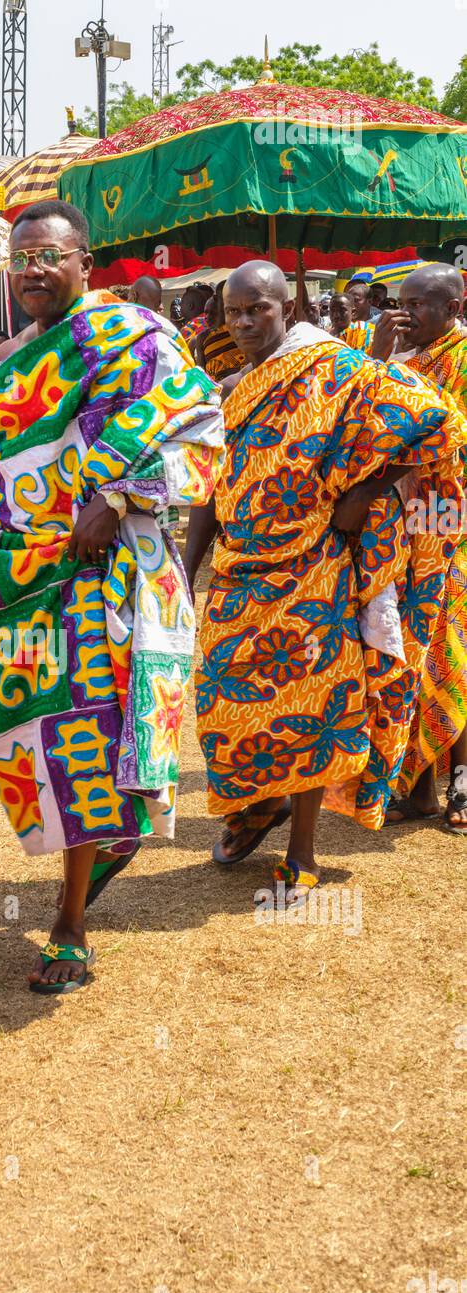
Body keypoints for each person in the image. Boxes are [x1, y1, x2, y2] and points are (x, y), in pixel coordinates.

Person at [0, 199, 224, 994]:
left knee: (91, 745)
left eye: (49, 255)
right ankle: (104, 847)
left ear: (84, 263)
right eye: (21, 257)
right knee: (25, 741)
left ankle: (68, 926)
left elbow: (198, 420)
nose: (33, 269)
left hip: (111, 578)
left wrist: (118, 494)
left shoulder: (137, 338)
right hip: (19, 582)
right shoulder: (2, 362)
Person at [184, 261, 466, 902]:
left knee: (312, 709)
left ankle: (303, 850)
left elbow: (441, 426)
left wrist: (365, 492)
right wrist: (191, 563)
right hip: (237, 572)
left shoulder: (340, 370)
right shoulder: (232, 387)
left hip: (314, 567)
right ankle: (259, 805)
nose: (246, 321)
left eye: (259, 308)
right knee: (227, 703)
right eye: (235, 312)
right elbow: (206, 485)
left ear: (288, 309)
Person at [367, 264, 467, 832]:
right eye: (399, 302)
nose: (403, 314)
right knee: (409, 648)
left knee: (447, 646)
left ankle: (460, 783)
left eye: (419, 304)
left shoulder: (461, 359)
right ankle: (418, 786)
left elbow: (443, 436)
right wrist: (378, 360)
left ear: (453, 309)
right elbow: (359, 419)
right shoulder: (393, 357)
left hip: (450, 526)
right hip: (400, 528)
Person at [194, 281, 245, 382]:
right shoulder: (202, 338)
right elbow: (201, 375)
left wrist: (237, 373)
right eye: (206, 313)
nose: (208, 317)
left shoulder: (243, 327)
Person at [342, 278, 377, 349]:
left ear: (369, 302)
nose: (351, 305)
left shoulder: (379, 325)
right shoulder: (342, 326)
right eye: (349, 300)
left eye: (356, 300)